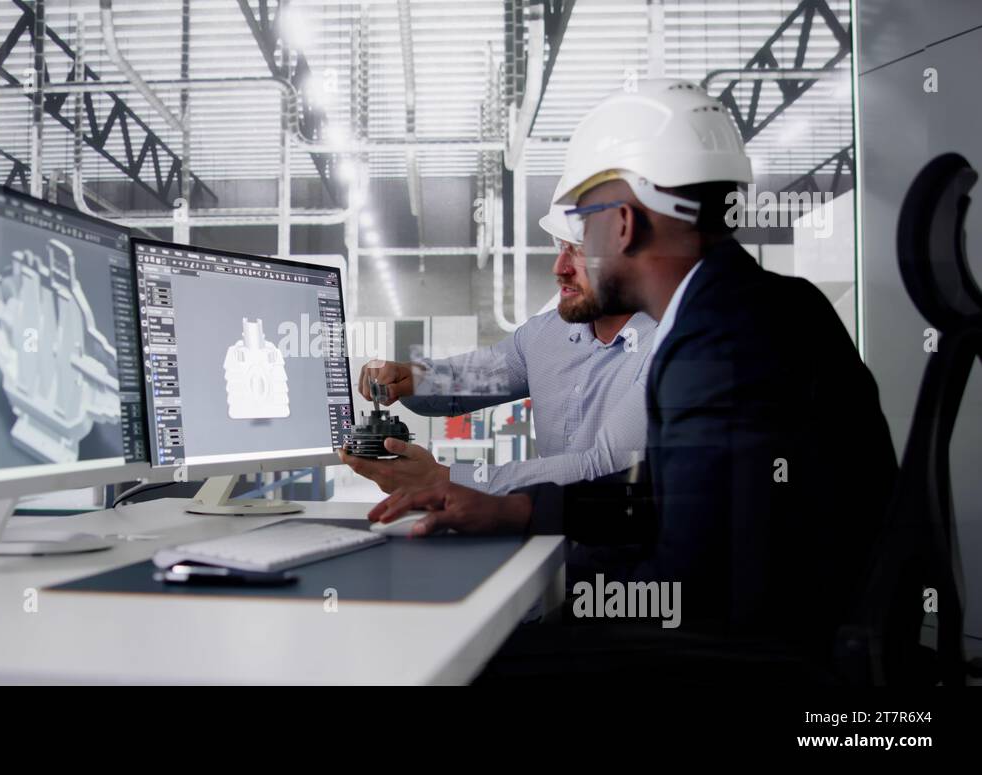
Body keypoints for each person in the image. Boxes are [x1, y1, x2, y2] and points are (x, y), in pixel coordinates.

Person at [372, 79, 898, 655]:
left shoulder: (717, 340)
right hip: (762, 627)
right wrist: (523, 510)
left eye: (581, 225)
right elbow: (670, 500)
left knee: (466, 653)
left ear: (621, 223)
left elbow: (687, 580)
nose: (564, 261)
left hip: (766, 660)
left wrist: (543, 602)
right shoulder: (744, 307)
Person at [339, 184, 657, 496]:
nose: (559, 268)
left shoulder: (665, 347)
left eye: (580, 252)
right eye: (561, 247)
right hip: (551, 531)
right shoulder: (544, 336)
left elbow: (603, 466)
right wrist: (410, 378)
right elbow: (464, 382)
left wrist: (445, 479)